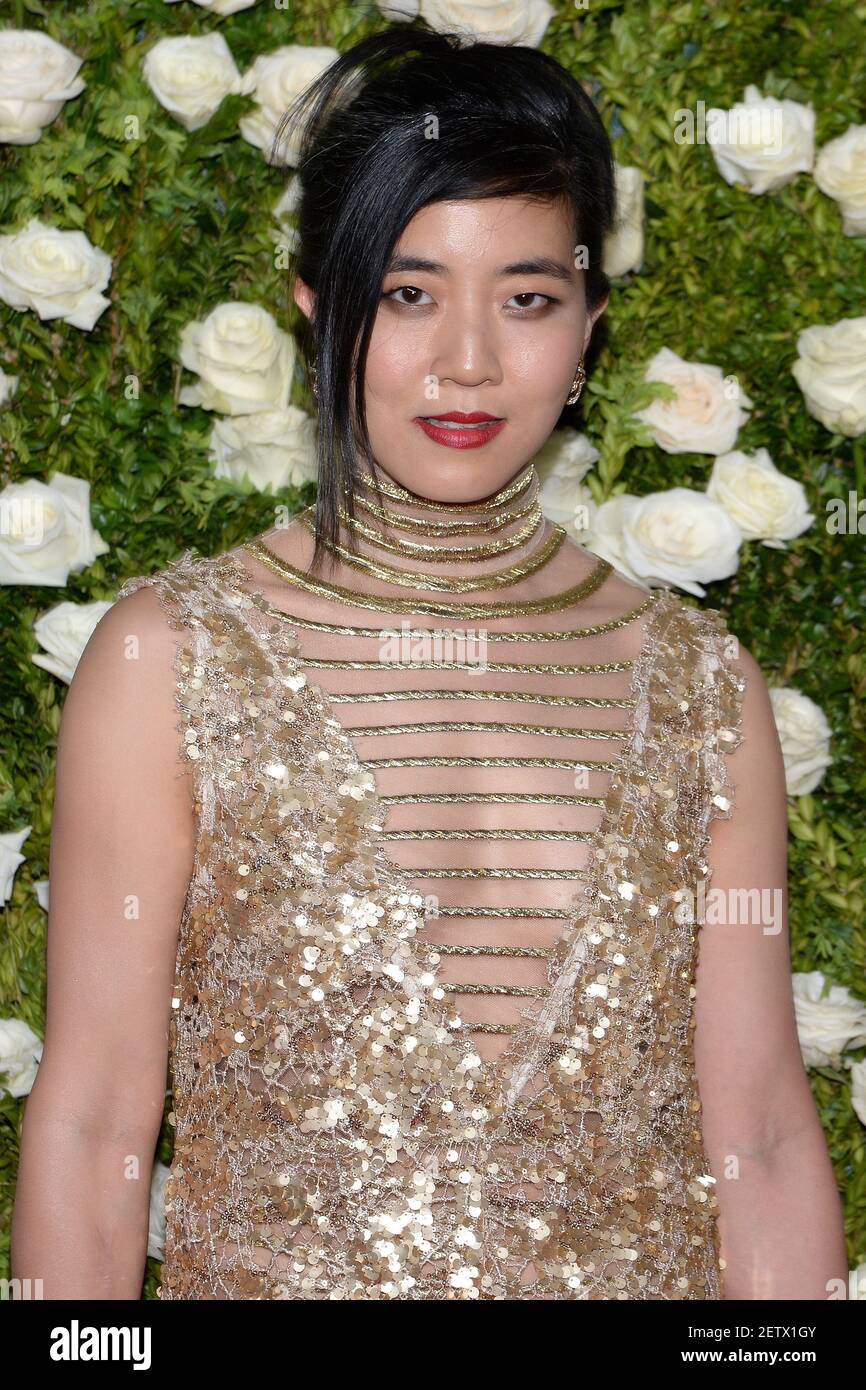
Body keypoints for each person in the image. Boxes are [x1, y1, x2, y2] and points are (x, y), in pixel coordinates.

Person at [12, 23, 846, 1301]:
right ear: (317, 309)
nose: (468, 359)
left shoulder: (694, 684)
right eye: (407, 294)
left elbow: (761, 1137)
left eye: (525, 299)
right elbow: (92, 1128)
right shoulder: (169, 659)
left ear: (588, 331)